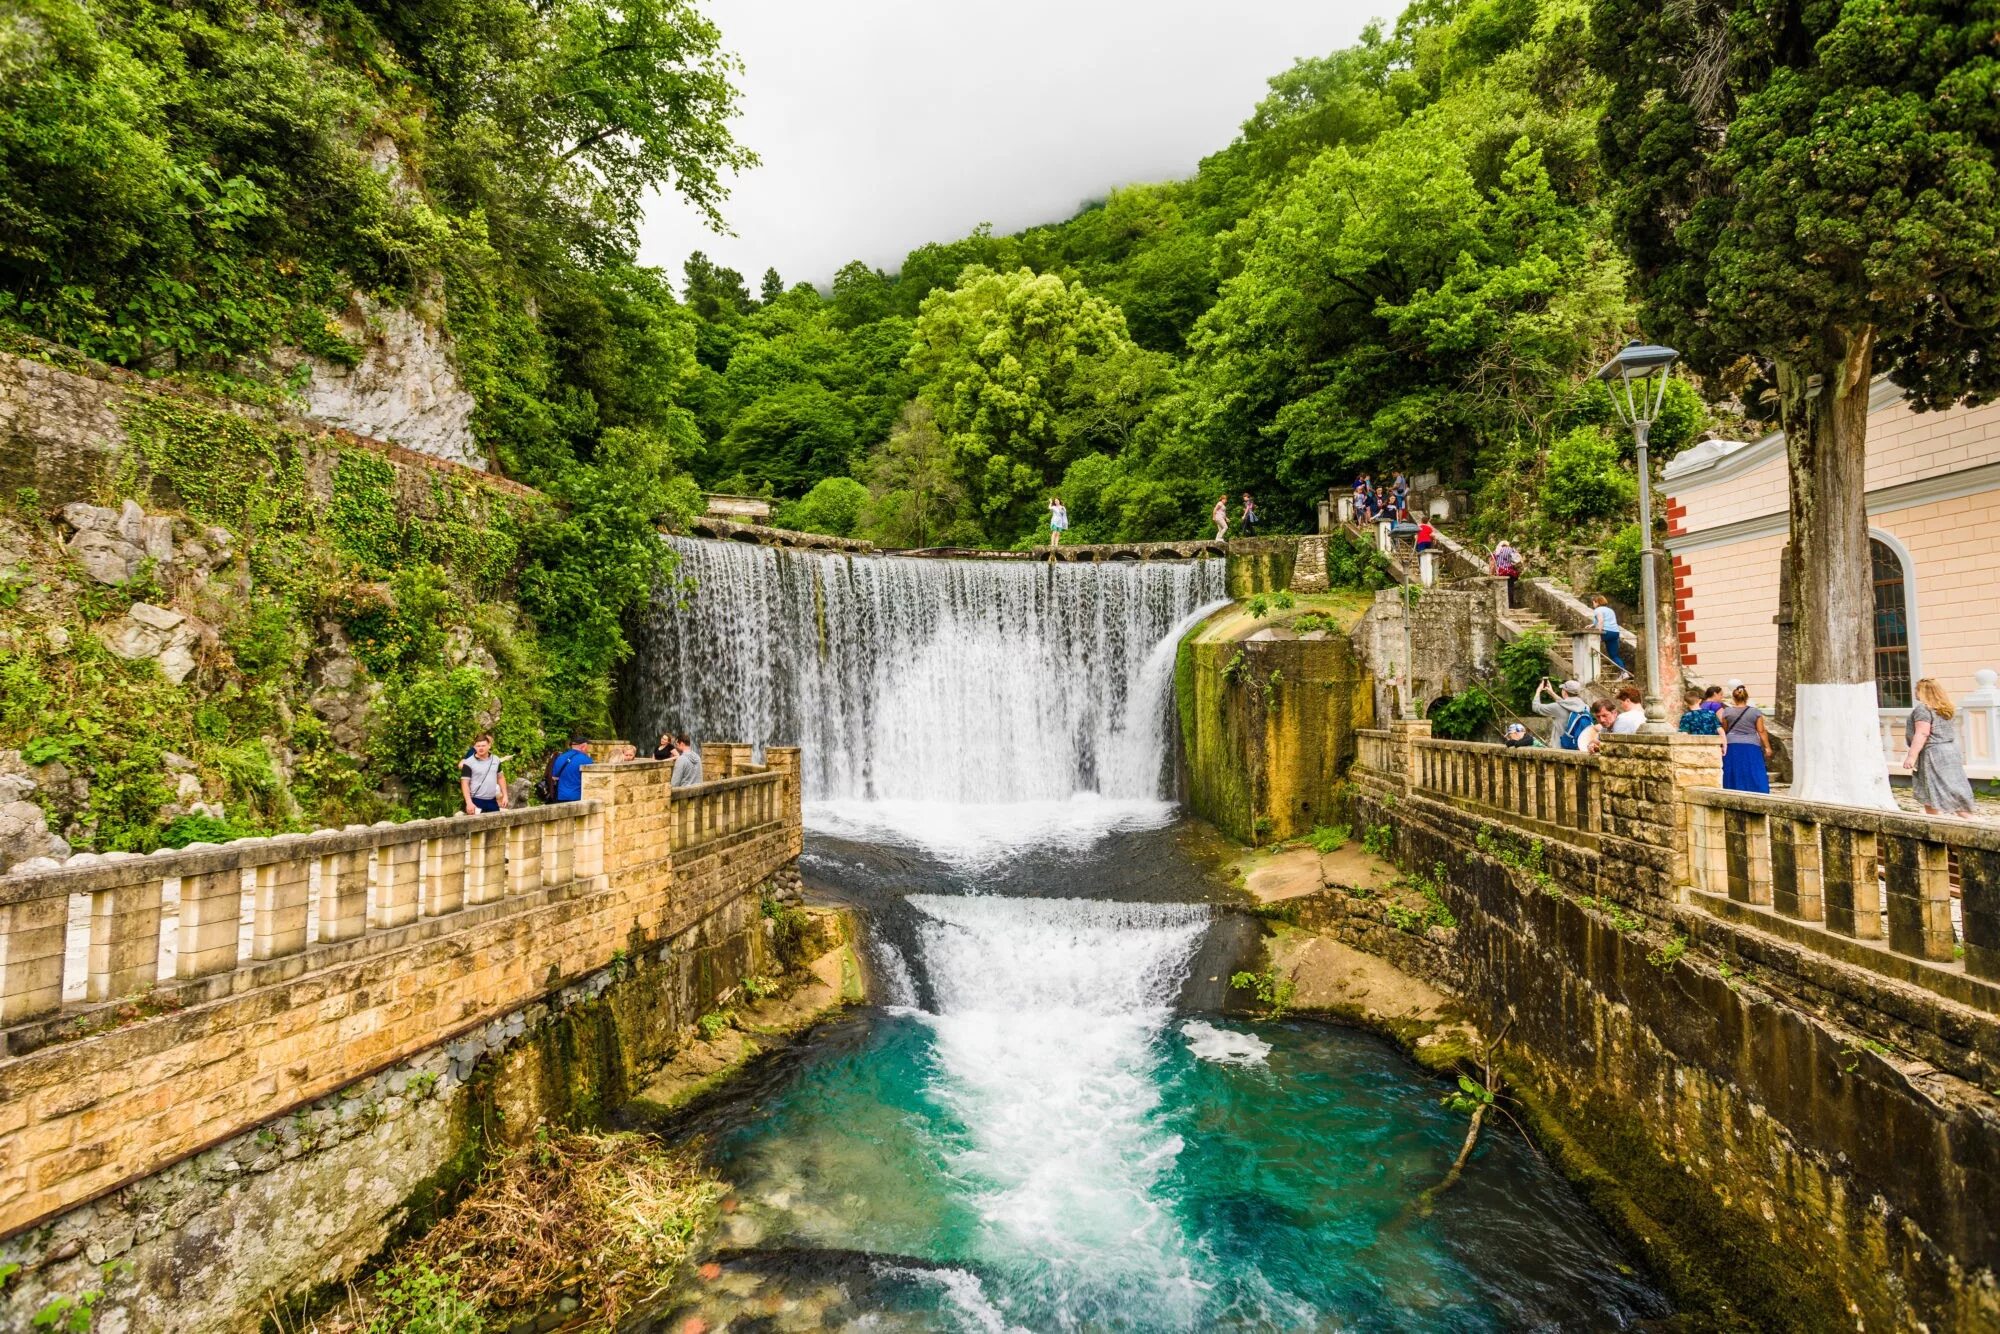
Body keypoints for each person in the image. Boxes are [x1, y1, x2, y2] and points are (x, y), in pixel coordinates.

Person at [1903, 677, 1977, 817]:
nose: (1915, 692)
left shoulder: (1923, 709)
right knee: (1949, 786)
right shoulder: (1946, 708)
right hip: (1950, 751)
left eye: (1917, 689)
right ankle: (1935, 820)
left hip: (1933, 753)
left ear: (1923, 691)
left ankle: (1970, 820)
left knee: (1939, 787)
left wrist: (1911, 757)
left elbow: (1922, 733)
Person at [1719, 686, 1771, 793]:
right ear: (1746, 697)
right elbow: (1761, 731)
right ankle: (1758, 790)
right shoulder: (1755, 712)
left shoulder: (1727, 711)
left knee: (1733, 769)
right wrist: (1767, 747)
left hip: (1732, 743)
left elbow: (1725, 729)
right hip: (1751, 743)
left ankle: (1732, 790)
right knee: (1753, 768)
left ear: (1733, 698)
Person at [1532, 678, 1592, 747]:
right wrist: (1552, 693)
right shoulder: (1586, 707)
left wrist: (1538, 691)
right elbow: (1566, 704)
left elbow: (1536, 707)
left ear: (1564, 692)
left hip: (1560, 748)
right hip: (1577, 747)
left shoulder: (1557, 707)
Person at [458, 735, 509, 815]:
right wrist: (469, 802)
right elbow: (464, 783)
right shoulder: (468, 763)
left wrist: (505, 795)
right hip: (476, 800)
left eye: (483, 746)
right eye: (478, 746)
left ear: (489, 746)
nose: (480, 748)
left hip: (492, 800)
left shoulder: (495, 759)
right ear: (474, 747)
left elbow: (500, 778)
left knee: (495, 825)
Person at [1590, 595, 1632, 680]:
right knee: (1614, 655)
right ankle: (1624, 673)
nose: (1593, 604)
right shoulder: (1610, 610)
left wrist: (1598, 632)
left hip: (1606, 632)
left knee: (1590, 645)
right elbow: (1605, 620)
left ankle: (1593, 671)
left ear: (1597, 602)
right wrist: (1592, 625)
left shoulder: (1597, 610)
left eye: (1593, 602)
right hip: (1615, 633)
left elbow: (1601, 621)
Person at [548, 732, 593, 803]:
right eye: (587, 747)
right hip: (576, 797)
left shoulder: (560, 757)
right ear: (583, 746)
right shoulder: (586, 760)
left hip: (559, 796)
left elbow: (554, 777)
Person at [1492, 540, 1522, 609]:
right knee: (1510, 587)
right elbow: (1517, 559)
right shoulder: (1511, 550)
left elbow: (1492, 564)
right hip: (1509, 572)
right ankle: (1510, 605)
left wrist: (1492, 573)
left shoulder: (1497, 551)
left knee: (1501, 589)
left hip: (1500, 572)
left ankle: (1502, 606)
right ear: (1507, 545)